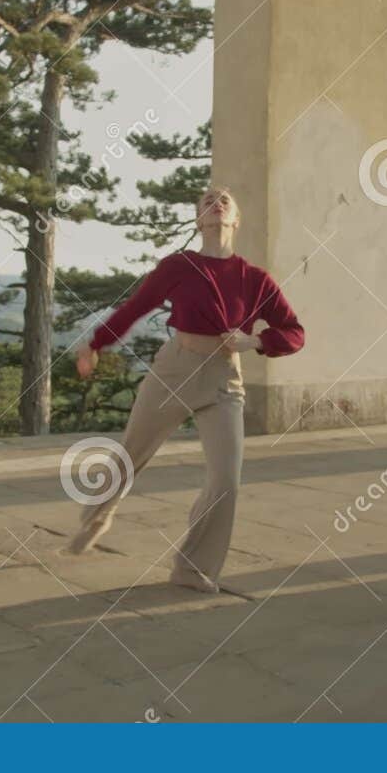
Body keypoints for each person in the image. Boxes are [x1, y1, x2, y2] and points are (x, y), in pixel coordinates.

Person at [65, 187, 303, 593]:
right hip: (174, 370)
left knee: (226, 480)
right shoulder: (178, 265)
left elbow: (295, 333)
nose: (217, 201)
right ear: (199, 220)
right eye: (208, 200)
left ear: (235, 219)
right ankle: (98, 515)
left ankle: (192, 569)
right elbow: (134, 308)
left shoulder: (255, 279)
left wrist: (256, 342)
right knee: (131, 453)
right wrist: (95, 344)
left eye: (226, 199)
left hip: (225, 378)